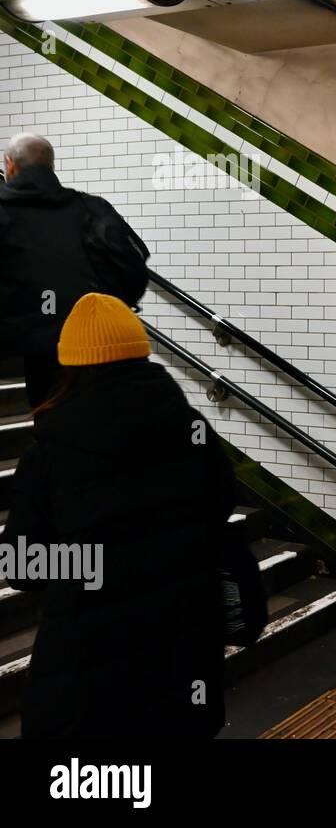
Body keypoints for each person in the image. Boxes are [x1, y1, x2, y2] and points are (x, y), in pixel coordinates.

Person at [0, 293, 233, 738]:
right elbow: (219, 506)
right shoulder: (191, 429)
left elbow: (22, 566)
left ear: (70, 364)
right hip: (179, 658)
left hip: (87, 672)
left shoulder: (47, 454)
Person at [0, 132, 149, 406]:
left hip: (31, 346)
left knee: (49, 418)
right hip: (94, 341)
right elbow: (134, 266)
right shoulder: (90, 207)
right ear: (52, 166)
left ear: (9, 165)